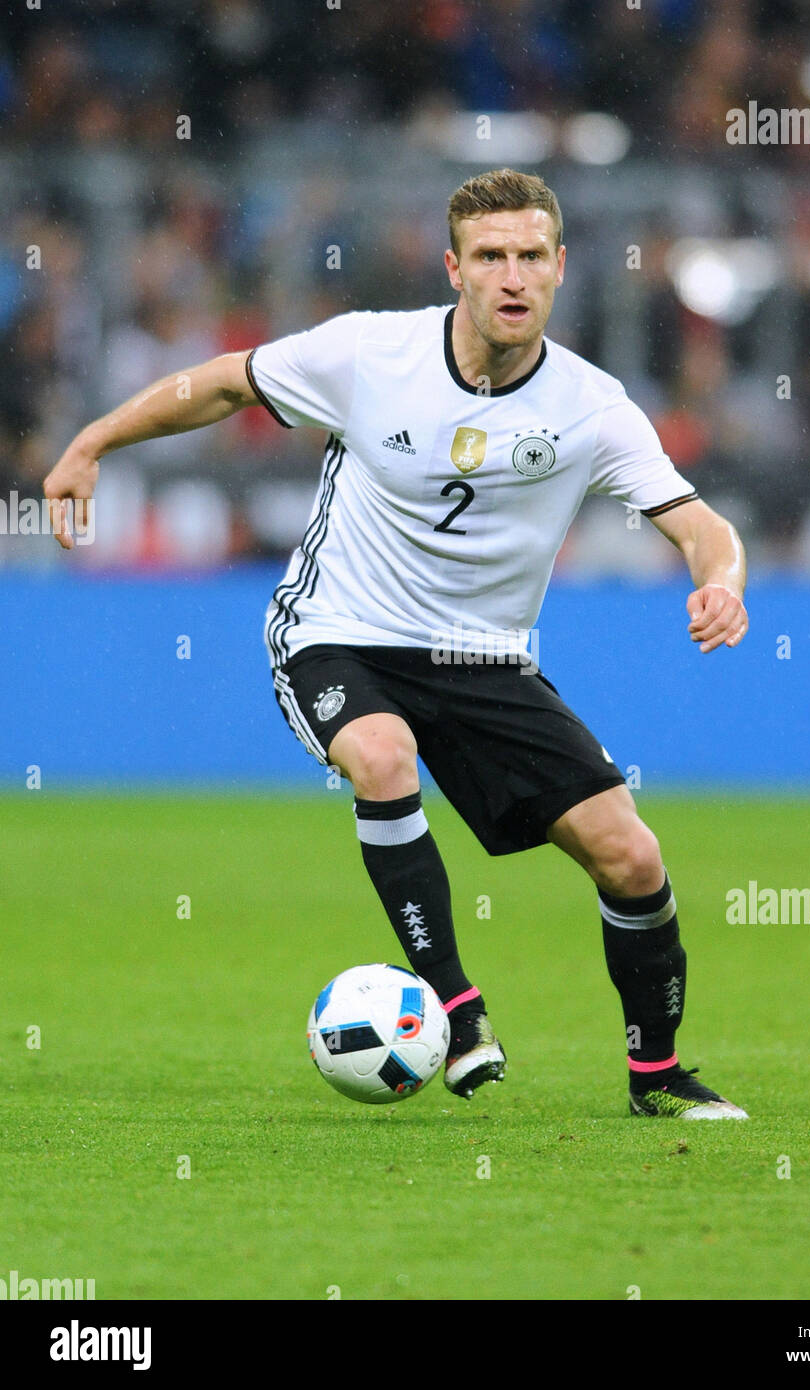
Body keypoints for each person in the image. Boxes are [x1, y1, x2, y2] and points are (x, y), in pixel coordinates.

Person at [44, 168, 750, 1119]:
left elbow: (698, 522)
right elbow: (218, 385)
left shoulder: (591, 406)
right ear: (453, 267)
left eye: (530, 256)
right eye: (491, 256)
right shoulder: (369, 354)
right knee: (381, 752)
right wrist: (92, 442)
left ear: (559, 268)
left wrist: (721, 581)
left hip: (485, 659)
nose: (512, 276)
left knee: (630, 858)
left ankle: (656, 1077)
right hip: (341, 631)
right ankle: (458, 1012)